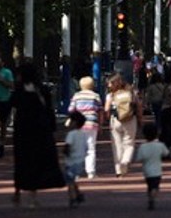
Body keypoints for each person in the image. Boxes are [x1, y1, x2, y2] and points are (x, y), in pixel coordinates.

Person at [10, 62, 66, 207]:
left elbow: (13, 104)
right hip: (40, 130)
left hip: (23, 131)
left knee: (22, 162)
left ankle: (19, 192)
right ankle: (32, 197)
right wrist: (52, 130)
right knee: (35, 162)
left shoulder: (19, 90)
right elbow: (49, 111)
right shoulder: (42, 90)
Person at [104, 74, 142, 177]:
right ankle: (125, 161)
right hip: (130, 119)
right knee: (129, 143)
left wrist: (108, 118)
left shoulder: (110, 95)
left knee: (116, 145)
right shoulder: (131, 92)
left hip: (115, 120)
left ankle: (118, 170)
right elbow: (138, 106)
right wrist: (140, 119)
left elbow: (107, 109)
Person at [67, 76, 102, 179]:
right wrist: (101, 124)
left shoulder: (76, 96)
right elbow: (100, 111)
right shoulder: (95, 96)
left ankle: (77, 172)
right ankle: (91, 172)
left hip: (79, 125)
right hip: (92, 124)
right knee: (91, 148)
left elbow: (71, 109)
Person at [134, 123, 170, 210]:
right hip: (157, 170)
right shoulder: (160, 145)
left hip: (147, 171)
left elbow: (139, 158)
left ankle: (150, 197)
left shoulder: (143, 146)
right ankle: (153, 195)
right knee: (155, 186)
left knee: (149, 185)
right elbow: (166, 154)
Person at [62, 111, 90, 208]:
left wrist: (65, 154)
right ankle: (78, 194)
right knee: (73, 179)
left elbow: (67, 147)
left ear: (74, 122)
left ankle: (73, 198)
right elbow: (86, 147)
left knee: (70, 181)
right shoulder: (83, 134)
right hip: (80, 161)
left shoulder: (71, 134)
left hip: (71, 161)